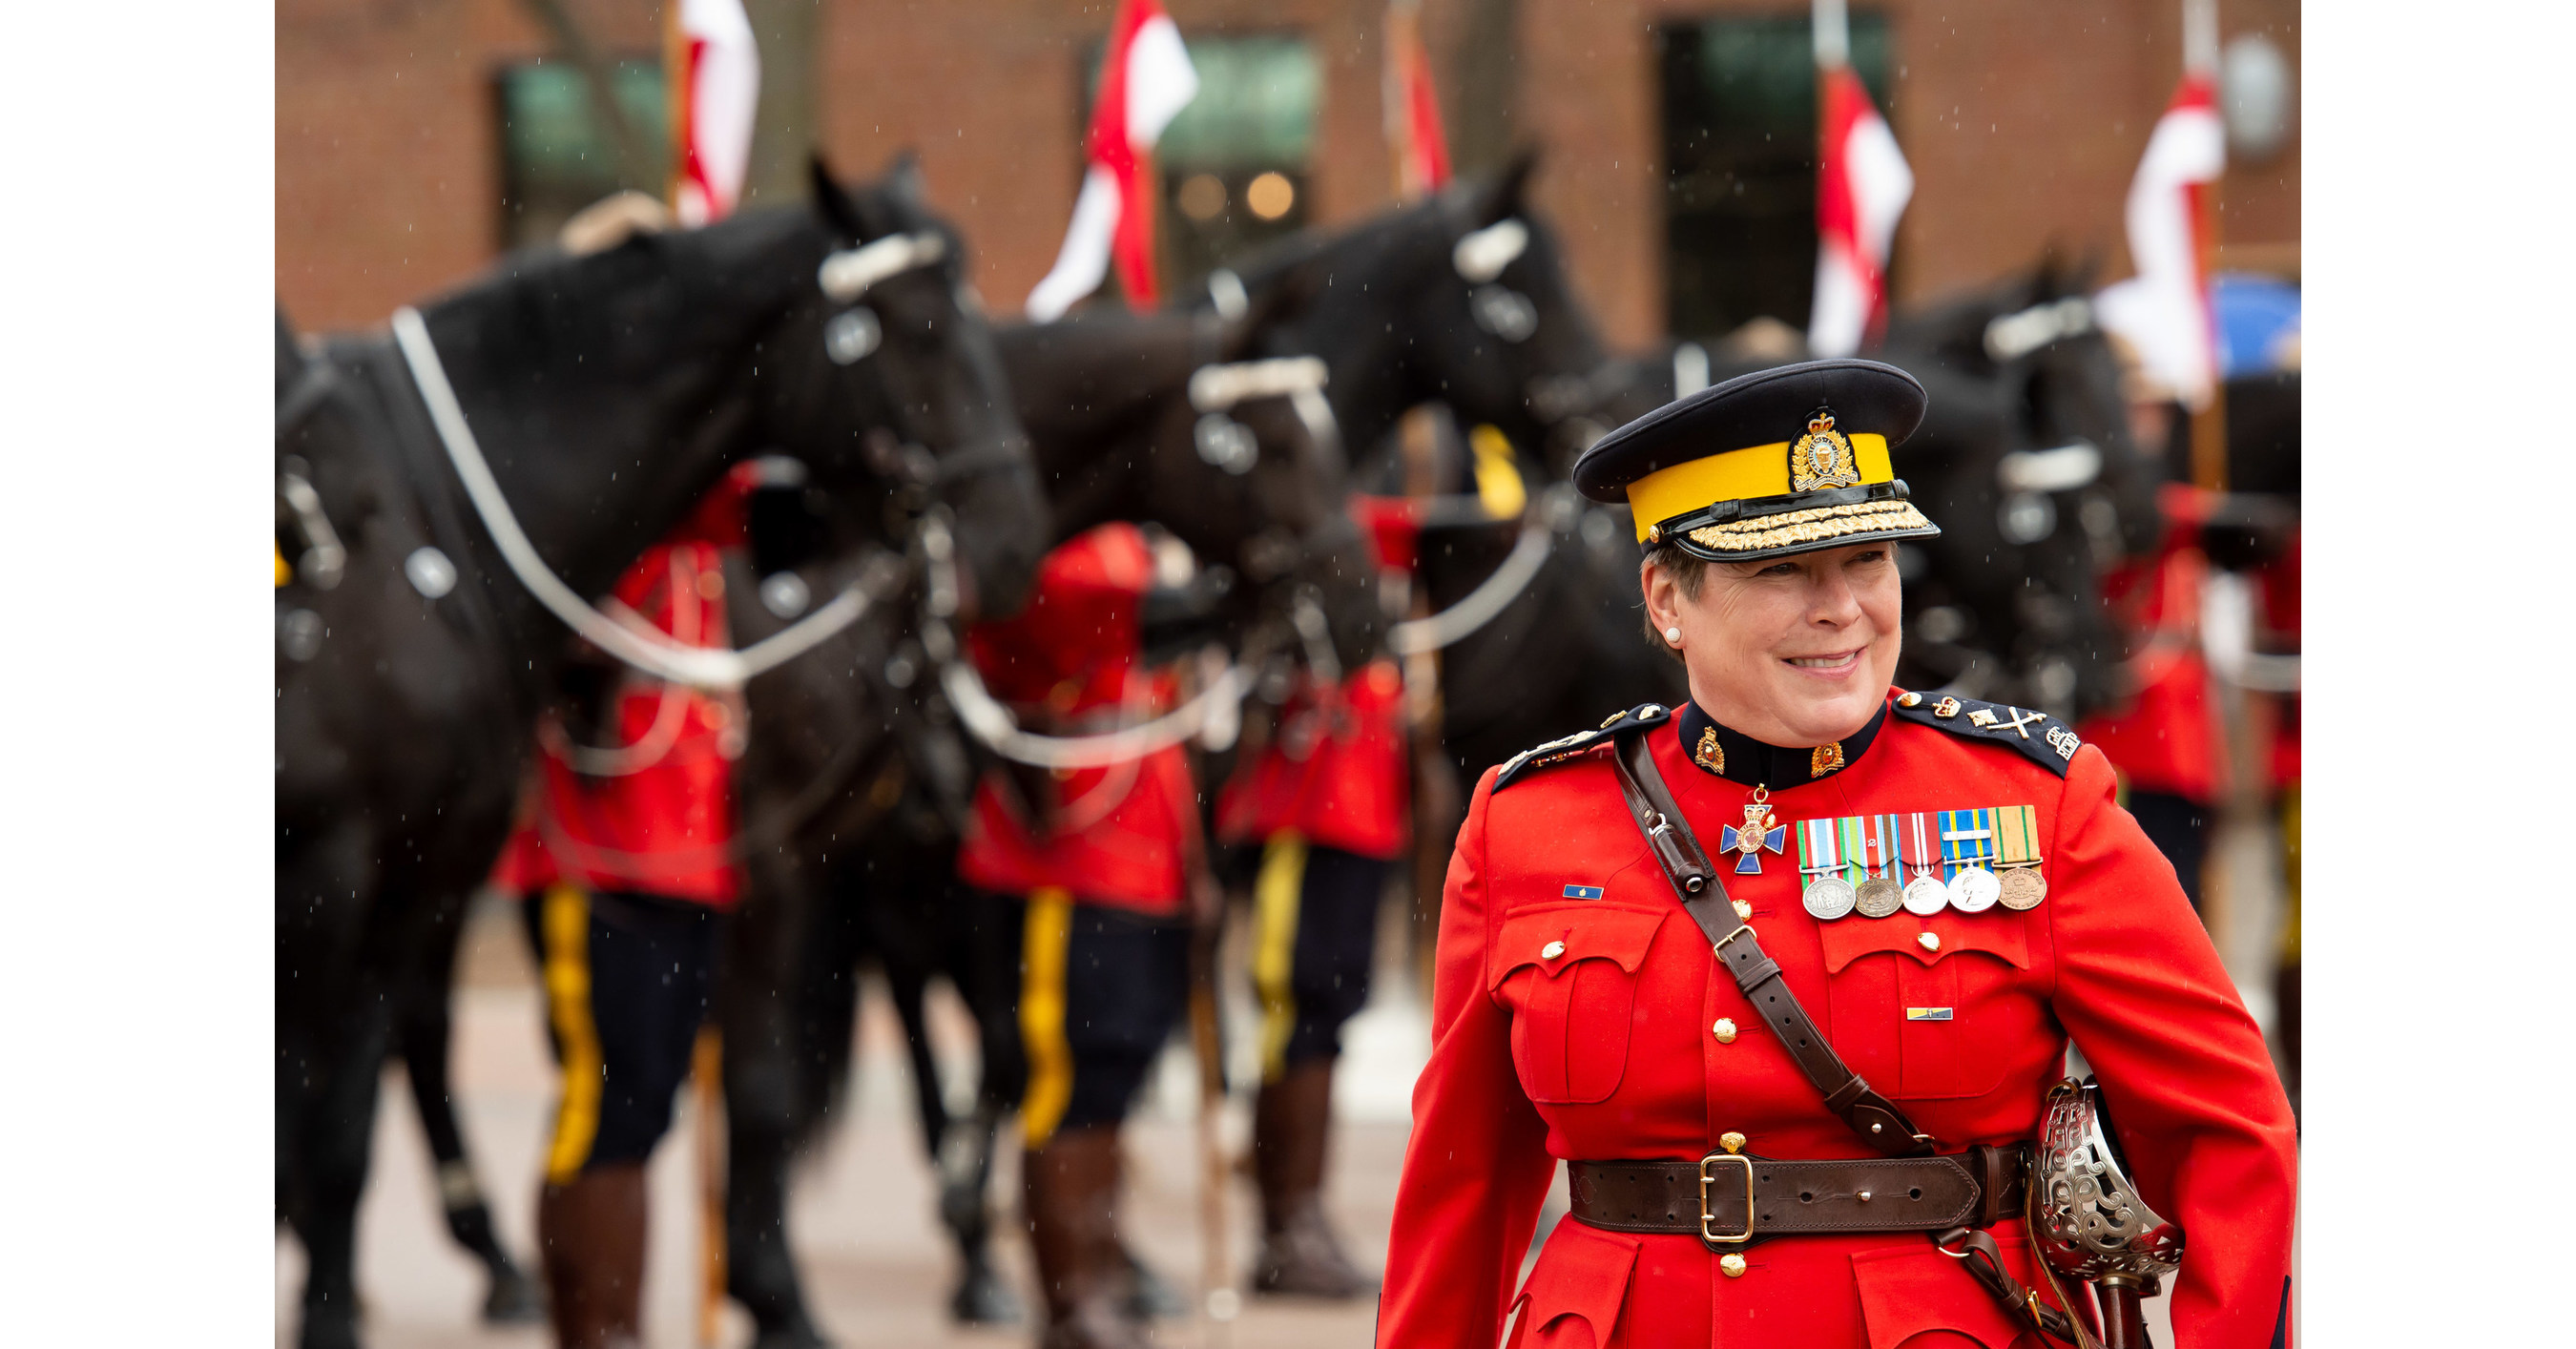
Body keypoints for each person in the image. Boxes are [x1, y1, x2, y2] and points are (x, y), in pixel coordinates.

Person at [1375, 360, 2296, 1347]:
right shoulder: (1527, 822)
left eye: (1867, 560)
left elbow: (2231, 1133)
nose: (1842, 607)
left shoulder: (2036, 802)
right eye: (1781, 570)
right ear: (1666, 597)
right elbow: (1459, 1188)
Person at [491, 470, 755, 1349]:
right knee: (603, 1105)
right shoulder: (604, 510)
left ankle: (619, 1326)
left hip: (687, 857)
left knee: (646, 1107)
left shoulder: (699, 533)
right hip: (599, 855)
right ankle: (595, 1331)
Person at [953, 522, 1202, 1349]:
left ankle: (1101, 1268)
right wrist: (1157, 605)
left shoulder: (1136, 539)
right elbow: (1017, 623)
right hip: (1071, 850)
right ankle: (1070, 1300)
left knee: (1117, 1070)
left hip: (1141, 848)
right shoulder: (1063, 538)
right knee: (1071, 1073)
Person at [1215, 653, 1409, 1297]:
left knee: (1328, 1012)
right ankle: (1284, 1226)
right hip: (1307, 796)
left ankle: (1303, 1216)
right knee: (1295, 1007)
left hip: (1360, 799)